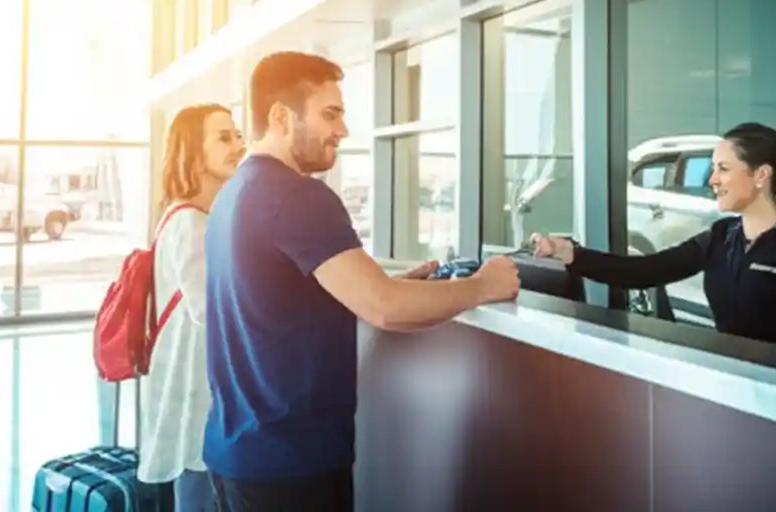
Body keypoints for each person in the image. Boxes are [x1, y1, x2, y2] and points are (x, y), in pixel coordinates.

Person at [203, 51, 521, 511]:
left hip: (238, 453)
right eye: (330, 114)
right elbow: (383, 307)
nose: (343, 130)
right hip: (290, 465)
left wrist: (398, 285)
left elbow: (292, 295)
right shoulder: (298, 194)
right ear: (280, 117)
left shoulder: (234, 192)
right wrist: (484, 285)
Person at [533, 122, 776, 357]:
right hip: (730, 388)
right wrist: (569, 253)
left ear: (761, 175)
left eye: (723, 168)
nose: (712, 180)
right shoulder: (722, 237)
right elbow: (646, 271)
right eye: (713, 169)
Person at [138, 104, 245, 512]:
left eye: (237, 135)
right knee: (201, 490)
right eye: (223, 137)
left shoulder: (192, 217)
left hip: (197, 386)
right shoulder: (191, 224)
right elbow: (211, 310)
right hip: (195, 388)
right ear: (192, 151)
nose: (238, 145)